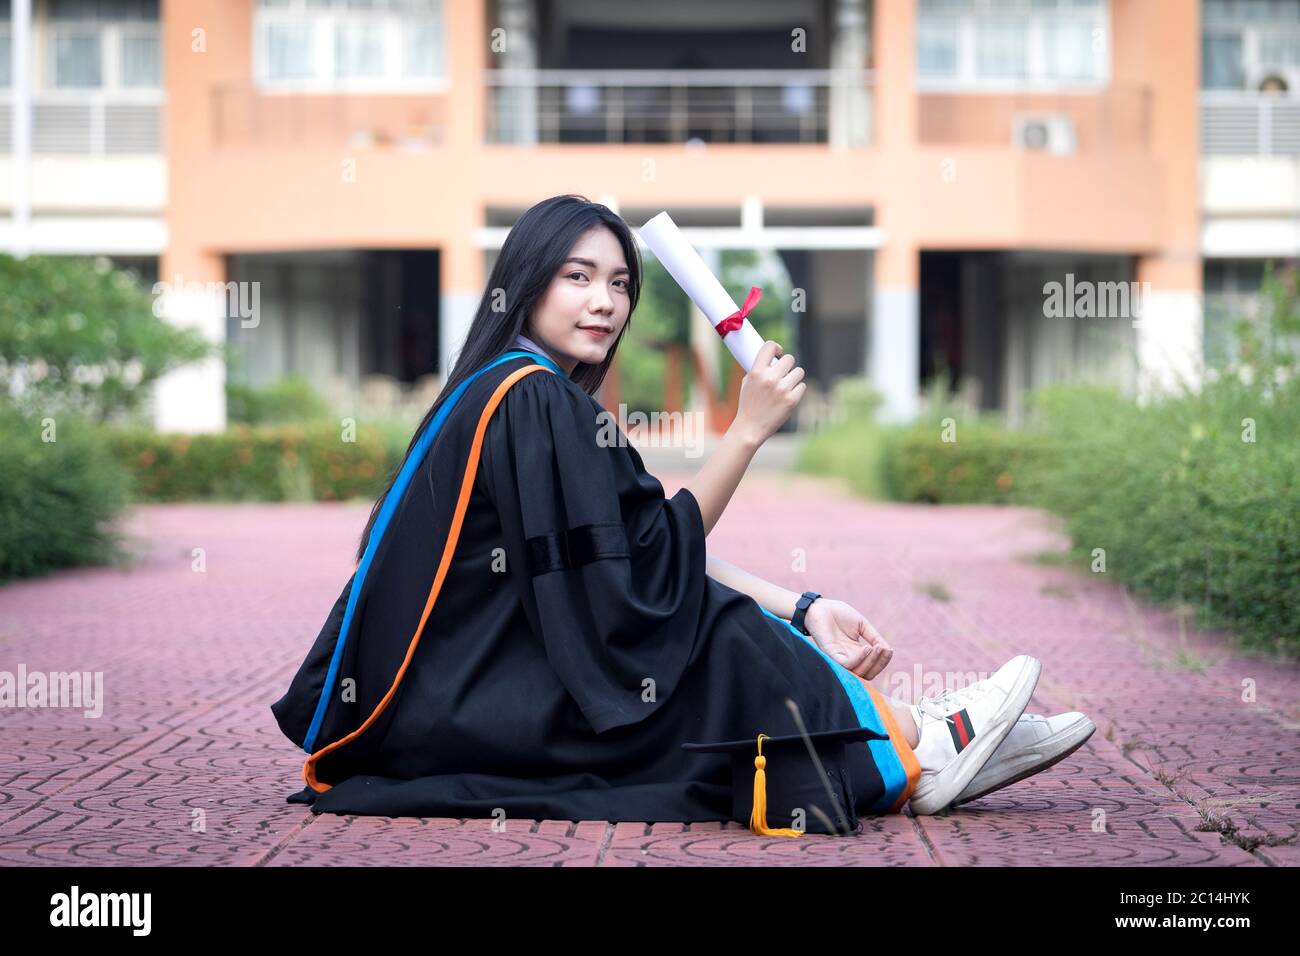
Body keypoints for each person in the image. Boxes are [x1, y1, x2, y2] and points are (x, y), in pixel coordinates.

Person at [271, 195, 1094, 829]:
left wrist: (805, 607)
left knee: (707, 620)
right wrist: (746, 433)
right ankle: (921, 746)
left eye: (621, 283)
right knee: (710, 634)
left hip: (455, 694)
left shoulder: (515, 391)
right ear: (523, 287)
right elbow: (648, 572)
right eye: (578, 277)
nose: (605, 302)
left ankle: (918, 742)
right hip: (461, 708)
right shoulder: (530, 401)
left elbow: (634, 549)